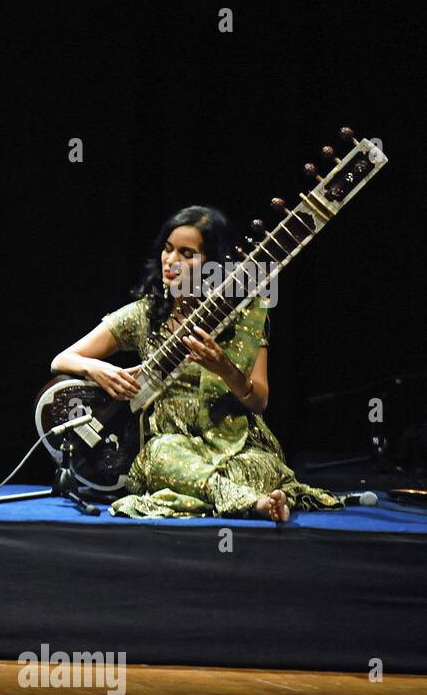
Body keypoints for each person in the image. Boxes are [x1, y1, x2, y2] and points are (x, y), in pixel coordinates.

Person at [49, 205, 342, 522]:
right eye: (168, 248)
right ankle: (252, 502)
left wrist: (224, 369)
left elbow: (259, 401)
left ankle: (224, 495)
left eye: (187, 254)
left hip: (235, 442)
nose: (172, 261)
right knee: (164, 458)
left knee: (261, 466)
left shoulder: (245, 316)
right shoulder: (144, 315)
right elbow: (62, 359)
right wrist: (100, 369)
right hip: (169, 444)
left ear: (213, 264)